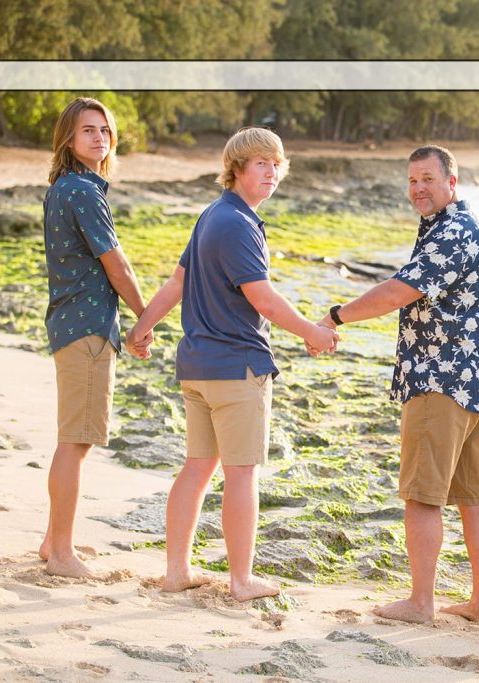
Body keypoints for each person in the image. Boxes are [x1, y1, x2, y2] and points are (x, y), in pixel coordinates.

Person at [127, 128, 338, 601]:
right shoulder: (238, 223)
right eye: (260, 163)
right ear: (236, 168)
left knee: (198, 466)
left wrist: (141, 327)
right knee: (241, 472)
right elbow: (261, 297)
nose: (271, 172)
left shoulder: (212, 216)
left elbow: (176, 284)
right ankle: (241, 580)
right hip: (236, 366)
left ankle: (177, 570)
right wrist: (313, 332)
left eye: (276, 163)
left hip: (198, 364)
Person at [317, 145, 479, 623]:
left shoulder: (452, 233)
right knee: (472, 495)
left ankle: (421, 603)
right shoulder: (460, 228)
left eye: (427, 179)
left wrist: (338, 315)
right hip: (478, 384)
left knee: (423, 495)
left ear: (451, 182)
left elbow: (399, 290)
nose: (418, 189)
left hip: (441, 382)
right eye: (412, 181)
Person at [40, 97, 150, 578]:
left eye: (105, 130)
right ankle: (62, 552)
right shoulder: (83, 190)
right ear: (68, 138)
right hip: (86, 326)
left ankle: (51, 541)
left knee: (74, 439)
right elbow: (117, 264)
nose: (99, 138)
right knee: (75, 441)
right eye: (88, 130)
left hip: (73, 322)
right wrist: (146, 317)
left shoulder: (63, 188)